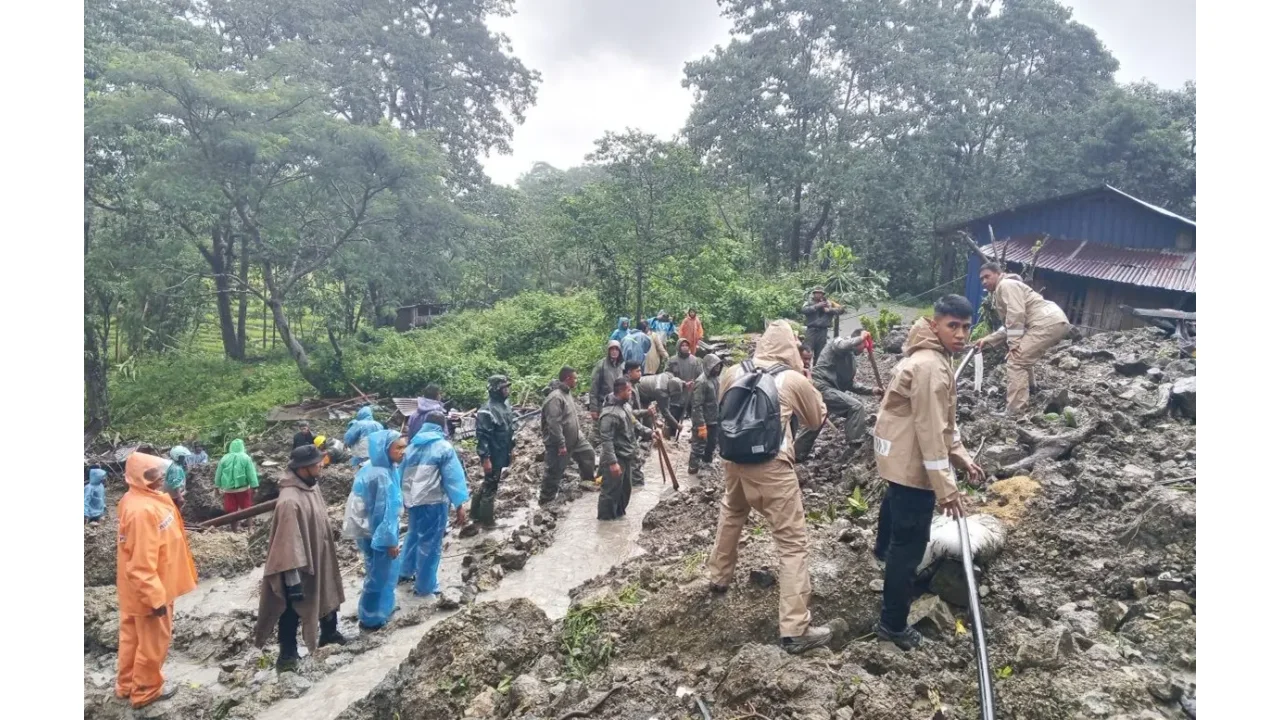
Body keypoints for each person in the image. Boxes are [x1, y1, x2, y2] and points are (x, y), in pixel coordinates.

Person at [707, 320, 831, 654]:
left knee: (732, 512)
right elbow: (816, 419)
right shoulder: (790, 379)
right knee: (792, 543)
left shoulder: (733, 371)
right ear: (791, 346)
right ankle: (795, 628)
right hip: (772, 465)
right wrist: (806, 378)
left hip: (733, 460)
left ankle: (718, 577)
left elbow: (724, 408)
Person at [871, 295, 987, 651]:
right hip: (912, 466)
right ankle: (892, 623)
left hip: (898, 460)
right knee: (910, 545)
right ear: (934, 324)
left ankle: (883, 559)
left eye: (966, 327)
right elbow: (932, 433)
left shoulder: (927, 358)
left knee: (894, 523)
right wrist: (947, 490)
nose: (961, 334)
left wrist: (963, 457)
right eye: (953, 326)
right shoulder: (932, 368)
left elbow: (943, 425)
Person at [254, 445, 347, 672]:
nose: (321, 468)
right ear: (303, 468)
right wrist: (293, 581)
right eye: (317, 465)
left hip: (320, 553)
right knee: (291, 607)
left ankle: (329, 633)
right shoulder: (289, 501)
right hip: (297, 567)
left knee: (327, 591)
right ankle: (287, 654)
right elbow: (287, 546)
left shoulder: (311, 486)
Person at [115, 452, 198, 708]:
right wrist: (155, 597)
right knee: (153, 642)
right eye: (152, 474)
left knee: (131, 638)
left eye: (158, 472)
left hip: (133, 589)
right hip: (151, 588)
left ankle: (127, 684)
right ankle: (146, 690)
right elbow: (141, 562)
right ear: (139, 477)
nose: (159, 477)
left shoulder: (137, 499)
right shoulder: (143, 511)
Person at [974, 263, 1072, 417]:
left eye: (987, 276)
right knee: (1022, 356)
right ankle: (1032, 390)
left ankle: (1016, 410)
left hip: (1045, 323)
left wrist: (1013, 344)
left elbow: (1016, 314)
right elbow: (1009, 325)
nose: (984, 282)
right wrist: (987, 339)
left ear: (998, 273)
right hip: (1053, 320)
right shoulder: (1008, 286)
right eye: (981, 279)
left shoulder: (1005, 285)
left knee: (1016, 360)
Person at [399, 411, 469, 596]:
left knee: (413, 535)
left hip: (413, 502)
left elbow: (401, 476)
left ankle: (405, 571)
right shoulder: (443, 447)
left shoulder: (411, 447)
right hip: (434, 502)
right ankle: (425, 587)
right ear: (442, 426)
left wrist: (403, 500)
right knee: (430, 545)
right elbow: (452, 479)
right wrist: (459, 505)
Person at [343, 429, 407, 630]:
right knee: (381, 574)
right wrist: (390, 541)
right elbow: (384, 512)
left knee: (375, 571)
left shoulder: (375, 467)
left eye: (404, 446)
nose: (403, 451)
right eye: (398, 447)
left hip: (367, 530)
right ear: (385, 449)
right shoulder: (382, 476)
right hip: (378, 533)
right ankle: (372, 617)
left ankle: (379, 610)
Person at [793, 331, 877, 462]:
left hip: (829, 388)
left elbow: (849, 384)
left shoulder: (851, 360)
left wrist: (872, 390)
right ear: (856, 340)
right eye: (863, 344)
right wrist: (861, 337)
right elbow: (841, 346)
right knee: (855, 407)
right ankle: (855, 447)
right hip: (821, 385)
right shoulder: (838, 342)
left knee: (818, 419)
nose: (865, 348)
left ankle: (796, 453)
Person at [597, 377, 652, 520]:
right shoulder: (610, 414)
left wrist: (649, 432)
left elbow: (634, 424)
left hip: (627, 455)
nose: (631, 393)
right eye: (629, 391)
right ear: (621, 391)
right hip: (616, 458)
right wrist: (612, 463)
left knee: (625, 490)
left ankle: (619, 517)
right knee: (610, 492)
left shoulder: (626, 407)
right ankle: (605, 522)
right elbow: (606, 441)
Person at [540, 366, 596, 505]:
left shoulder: (567, 393)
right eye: (575, 378)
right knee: (554, 472)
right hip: (560, 442)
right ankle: (546, 502)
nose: (577, 381)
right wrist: (561, 444)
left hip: (576, 439)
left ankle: (587, 483)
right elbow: (554, 424)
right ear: (568, 379)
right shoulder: (555, 398)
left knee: (588, 454)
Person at [472, 375, 517, 527]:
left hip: (502, 450)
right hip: (493, 453)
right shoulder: (486, 410)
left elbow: (510, 428)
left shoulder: (505, 405)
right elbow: (482, 437)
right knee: (491, 485)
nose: (507, 390)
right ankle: (487, 521)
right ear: (496, 390)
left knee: (489, 482)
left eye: (507, 387)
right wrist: (485, 458)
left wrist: (511, 449)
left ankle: (475, 514)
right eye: (504, 388)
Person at [687, 353, 725, 474]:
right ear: (709, 366)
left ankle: (707, 464)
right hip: (703, 420)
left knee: (712, 444)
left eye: (719, 366)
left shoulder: (715, 380)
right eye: (715, 366)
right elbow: (696, 406)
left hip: (714, 419)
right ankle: (693, 469)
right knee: (698, 445)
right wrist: (700, 425)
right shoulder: (701, 381)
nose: (718, 368)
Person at [214, 439, 260, 531]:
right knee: (247, 508)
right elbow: (251, 473)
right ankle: (250, 528)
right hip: (243, 488)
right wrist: (254, 486)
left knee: (231, 510)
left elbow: (218, 473)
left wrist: (216, 486)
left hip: (229, 489)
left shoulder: (224, 458)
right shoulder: (246, 458)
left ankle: (234, 530)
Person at [636, 370, 688, 440]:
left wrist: (684, 384)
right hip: (638, 392)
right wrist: (677, 425)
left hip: (645, 387)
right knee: (641, 416)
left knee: (648, 417)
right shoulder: (661, 392)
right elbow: (665, 412)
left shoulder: (668, 375)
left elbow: (677, 382)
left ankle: (647, 437)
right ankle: (642, 438)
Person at [666, 337, 702, 425]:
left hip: (691, 394)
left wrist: (695, 384)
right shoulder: (672, 360)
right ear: (678, 347)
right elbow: (667, 375)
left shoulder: (695, 360)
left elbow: (701, 376)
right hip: (676, 395)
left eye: (686, 345)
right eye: (682, 345)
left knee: (696, 419)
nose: (685, 347)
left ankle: (696, 435)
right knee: (674, 419)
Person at [801, 286, 842, 361]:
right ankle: (805, 370)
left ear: (823, 294)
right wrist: (816, 306)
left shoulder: (829, 302)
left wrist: (829, 310)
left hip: (823, 331)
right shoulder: (809, 303)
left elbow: (841, 310)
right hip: (811, 330)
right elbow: (803, 310)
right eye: (817, 293)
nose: (819, 295)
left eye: (820, 293)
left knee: (820, 354)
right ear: (814, 294)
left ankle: (817, 371)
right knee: (807, 351)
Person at [589, 340, 625, 422]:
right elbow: (594, 388)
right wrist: (594, 409)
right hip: (604, 404)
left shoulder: (622, 366)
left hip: (619, 404)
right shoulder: (601, 365)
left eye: (616, 349)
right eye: (612, 349)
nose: (614, 351)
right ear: (608, 351)